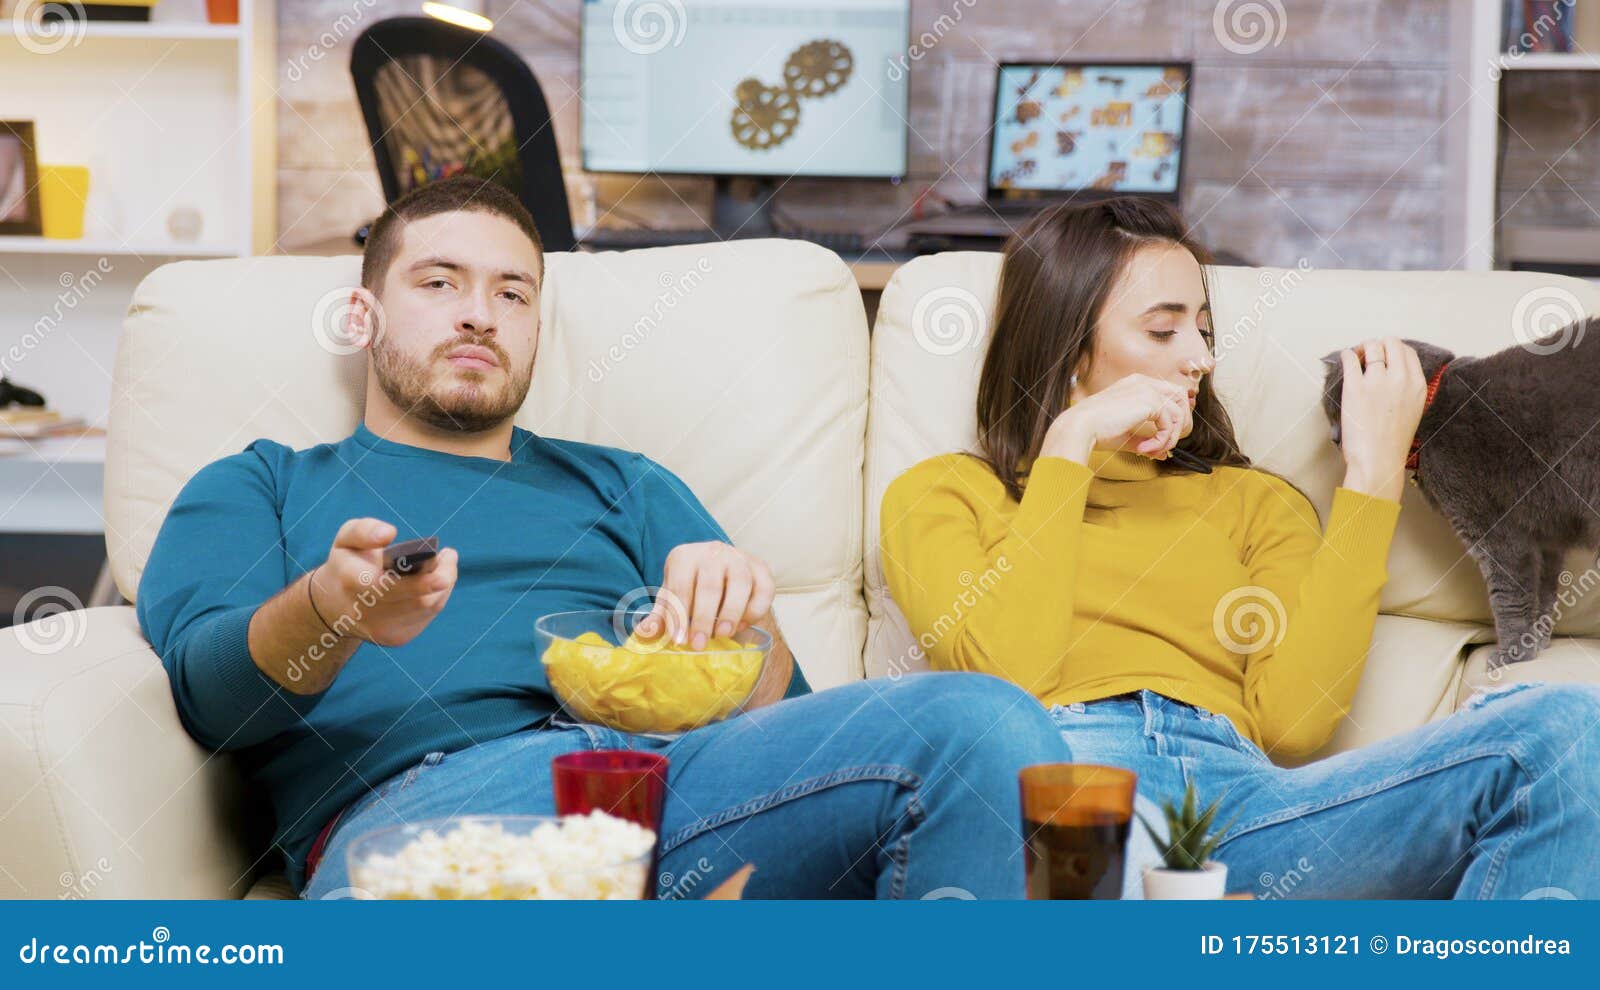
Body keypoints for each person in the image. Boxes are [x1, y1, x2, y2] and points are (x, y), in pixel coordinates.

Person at [138, 176, 1065, 900]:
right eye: (439, 282)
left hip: (672, 787)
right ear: (364, 313)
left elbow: (790, 726)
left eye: (513, 293)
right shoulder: (263, 484)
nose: (480, 313)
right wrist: (328, 612)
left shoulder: (625, 484)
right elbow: (212, 704)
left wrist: (743, 629)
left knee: (986, 723)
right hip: (434, 807)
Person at [879, 197, 1600, 899]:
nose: (1200, 357)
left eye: (1202, 329)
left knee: (1567, 731)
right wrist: (1070, 444)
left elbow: (1294, 721)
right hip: (1064, 793)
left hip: (1243, 816)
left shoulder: (1256, 502)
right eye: (1163, 332)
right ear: (1066, 347)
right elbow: (1010, 682)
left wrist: (1375, 474)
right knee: (1104, 866)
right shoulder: (941, 494)